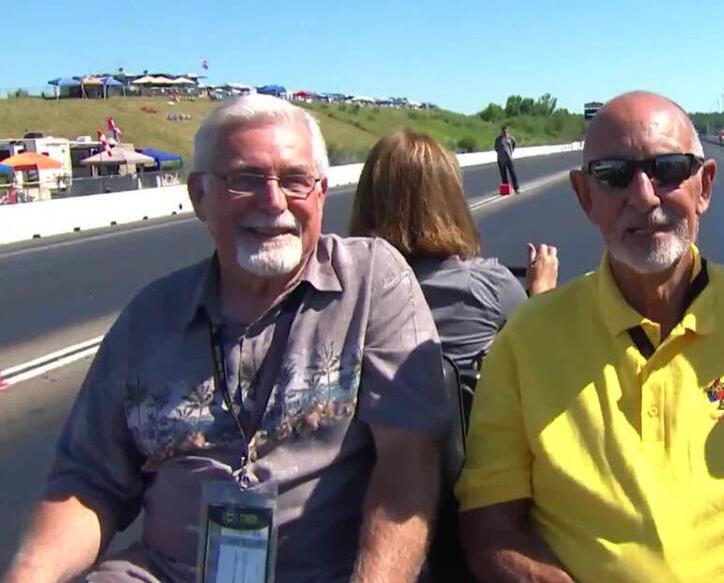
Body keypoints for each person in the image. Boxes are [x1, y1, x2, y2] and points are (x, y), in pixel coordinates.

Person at [3, 95, 450, 583]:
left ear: (321, 193)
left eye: (295, 180)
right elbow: (88, 484)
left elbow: (409, 459)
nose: (273, 201)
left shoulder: (370, 282)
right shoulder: (149, 319)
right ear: (199, 197)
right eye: (245, 180)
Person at [457, 91, 724, 583]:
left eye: (667, 169)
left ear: (704, 186)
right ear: (584, 196)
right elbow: (489, 519)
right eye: (614, 175)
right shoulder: (525, 342)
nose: (643, 196)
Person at [348, 128, 559, 373]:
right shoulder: (489, 285)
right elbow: (542, 360)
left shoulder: (343, 296)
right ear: (449, 201)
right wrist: (542, 297)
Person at [494, 124, 519, 193]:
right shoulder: (498, 139)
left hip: (509, 158)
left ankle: (516, 187)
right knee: (503, 174)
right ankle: (506, 189)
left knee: (512, 173)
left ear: (507, 130)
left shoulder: (510, 138)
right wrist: (500, 153)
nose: (504, 131)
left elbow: (514, 144)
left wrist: (510, 151)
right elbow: (496, 147)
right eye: (503, 130)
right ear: (501, 130)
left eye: (506, 129)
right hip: (501, 158)